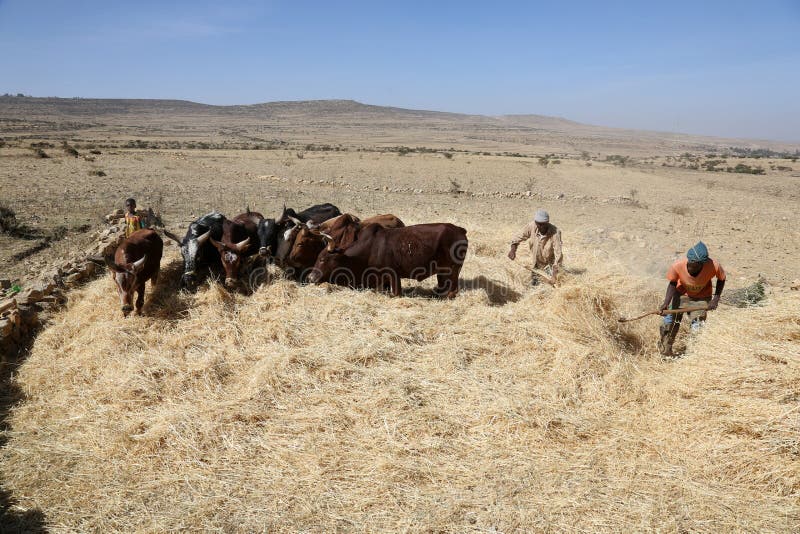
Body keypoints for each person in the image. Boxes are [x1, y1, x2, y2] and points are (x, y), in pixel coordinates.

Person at [658, 241, 726, 356]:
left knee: (697, 326)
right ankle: (666, 351)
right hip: (680, 295)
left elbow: (721, 279)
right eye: (689, 264)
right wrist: (666, 302)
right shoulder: (677, 265)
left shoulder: (714, 265)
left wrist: (715, 299)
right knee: (668, 322)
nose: (690, 267)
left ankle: (693, 354)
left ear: (702, 264)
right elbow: (673, 283)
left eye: (694, 265)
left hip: (701, 298)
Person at [508, 209, 563, 284]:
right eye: (538, 223)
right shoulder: (532, 226)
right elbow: (517, 237)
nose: (540, 226)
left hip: (550, 265)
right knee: (535, 284)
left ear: (547, 222)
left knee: (550, 286)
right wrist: (512, 250)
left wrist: (554, 275)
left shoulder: (555, 232)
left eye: (542, 224)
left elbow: (558, 254)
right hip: (536, 263)